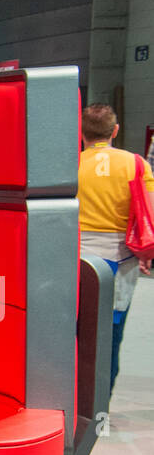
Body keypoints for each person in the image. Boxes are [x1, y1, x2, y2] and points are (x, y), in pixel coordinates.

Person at [78, 103, 153, 390]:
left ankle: (74, 400)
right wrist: (145, 255)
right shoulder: (136, 164)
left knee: (76, 332)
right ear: (115, 130)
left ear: (81, 132)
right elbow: (149, 214)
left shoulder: (71, 165)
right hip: (121, 261)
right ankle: (100, 405)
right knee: (110, 334)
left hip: (77, 260)